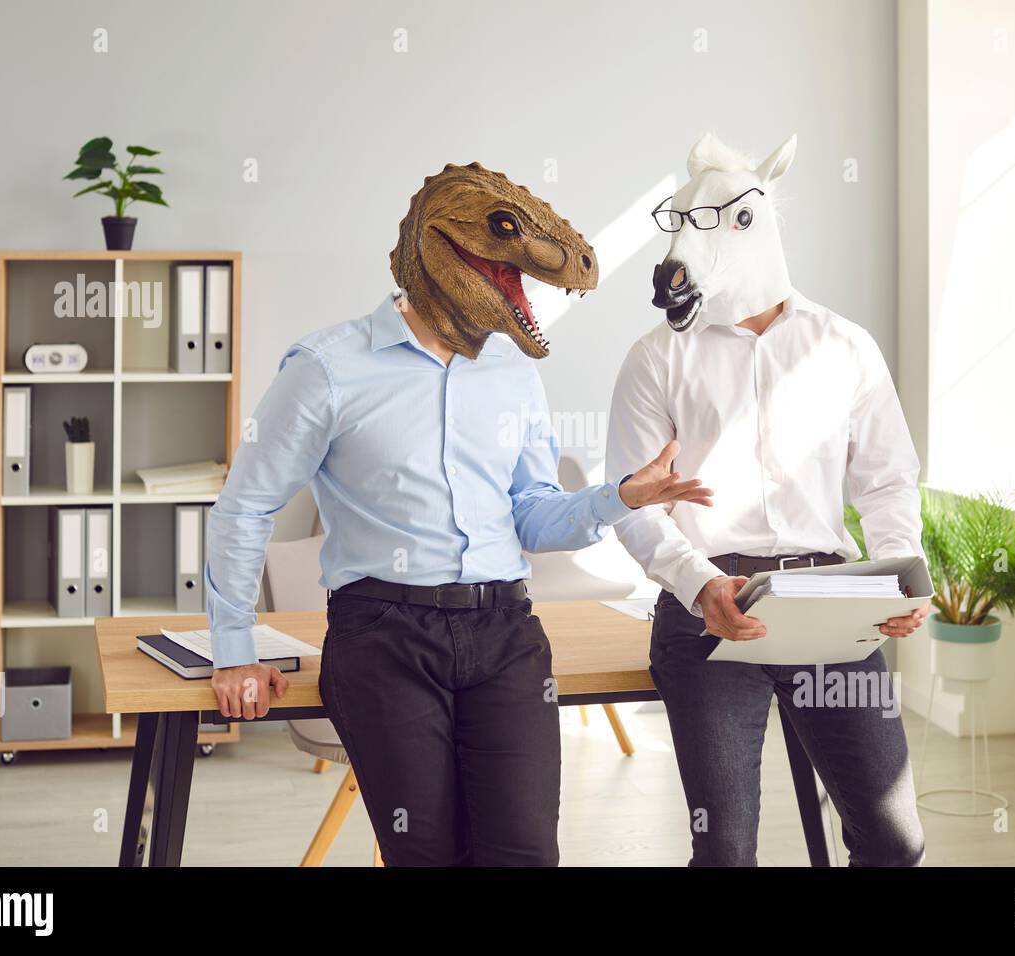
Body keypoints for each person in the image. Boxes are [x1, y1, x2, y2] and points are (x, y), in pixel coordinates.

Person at [205, 161, 711, 866]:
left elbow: (531, 515)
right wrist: (233, 650)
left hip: (505, 634)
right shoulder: (327, 366)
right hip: (383, 636)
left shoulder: (514, 374)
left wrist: (616, 498)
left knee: (525, 854)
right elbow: (244, 506)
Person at [607, 133, 927, 866]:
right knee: (722, 851)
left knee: (895, 840)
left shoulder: (845, 347)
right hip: (710, 613)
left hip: (832, 603)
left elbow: (885, 478)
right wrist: (700, 585)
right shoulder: (656, 357)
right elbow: (632, 503)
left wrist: (903, 567)